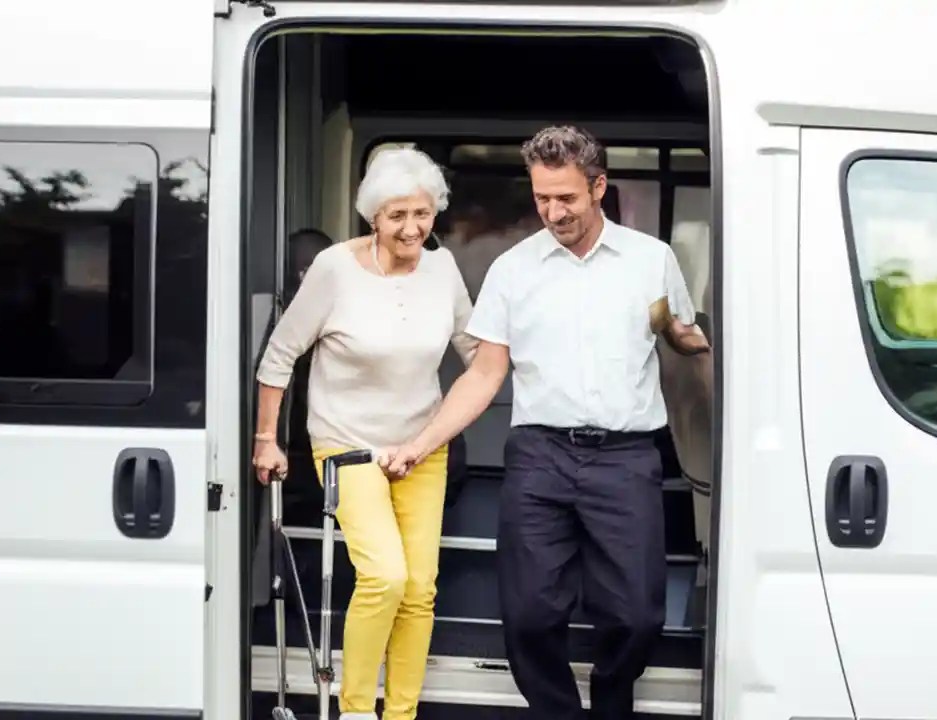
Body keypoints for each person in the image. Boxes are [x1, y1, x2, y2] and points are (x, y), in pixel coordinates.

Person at [382, 126, 710, 720]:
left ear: (599, 188)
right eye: (542, 199)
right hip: (540, 456)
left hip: (626, 457)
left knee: (637, 617)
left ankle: (611, 703)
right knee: (529, 617)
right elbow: (485, 374)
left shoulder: (651, 260)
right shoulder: (513, 270)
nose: (553, 212)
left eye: (566, 198)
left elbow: (675, 330)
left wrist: (705, 351)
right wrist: (420, 443)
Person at [251, 144, 477, 720]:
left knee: (419, 589)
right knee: (384, 576)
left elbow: (478, 354)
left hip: (422, 446)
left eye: (422, 213)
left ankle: (400, 714)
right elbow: (280, 354)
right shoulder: (335, 269)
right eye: (397, 215)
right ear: (373, 216)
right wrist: (267, 439)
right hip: (347, 444)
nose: (412, 228)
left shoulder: (443, 269)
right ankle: (354, 711)